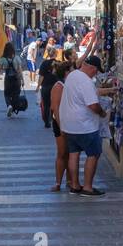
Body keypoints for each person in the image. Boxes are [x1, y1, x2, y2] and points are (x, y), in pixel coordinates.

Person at [59, 54, 108, 197]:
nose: (96, 73)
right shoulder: (86, 82)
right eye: (96, 70)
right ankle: (87, 187)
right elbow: (93, 105)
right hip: (85, 126)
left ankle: (74, 185)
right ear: (91, 68)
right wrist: (102, 113)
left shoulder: (72, 75)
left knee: (74, 154)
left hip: (69, 125)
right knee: (94, 154)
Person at [48, 59, 72, 191]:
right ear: (66, 72)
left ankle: (70, 180)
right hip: (61, 123)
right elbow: (54, 108)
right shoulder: (58, 86)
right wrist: (61, 125)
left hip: (70, 123)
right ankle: (58, 183)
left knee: (71, 153)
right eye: (72, 70)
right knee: (62, 153)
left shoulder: (69, 85)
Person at [0, 41, 25, 117]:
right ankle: (13, 109)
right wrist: (22, 80)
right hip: (16, 79)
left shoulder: (3, 59)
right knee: (15, 95)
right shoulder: (16, 58)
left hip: (8, 79)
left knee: (6, 94)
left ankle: (9, 105)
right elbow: (20, 70)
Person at [37, 44, 60, 128]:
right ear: (56, 53)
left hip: (46, 86)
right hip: (56, 86)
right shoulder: (59, 63)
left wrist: (37, 86)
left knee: (46, 104)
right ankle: (55, 120)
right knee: (56, 104)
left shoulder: (44, 63)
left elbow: (41, 76)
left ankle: (47, 122)